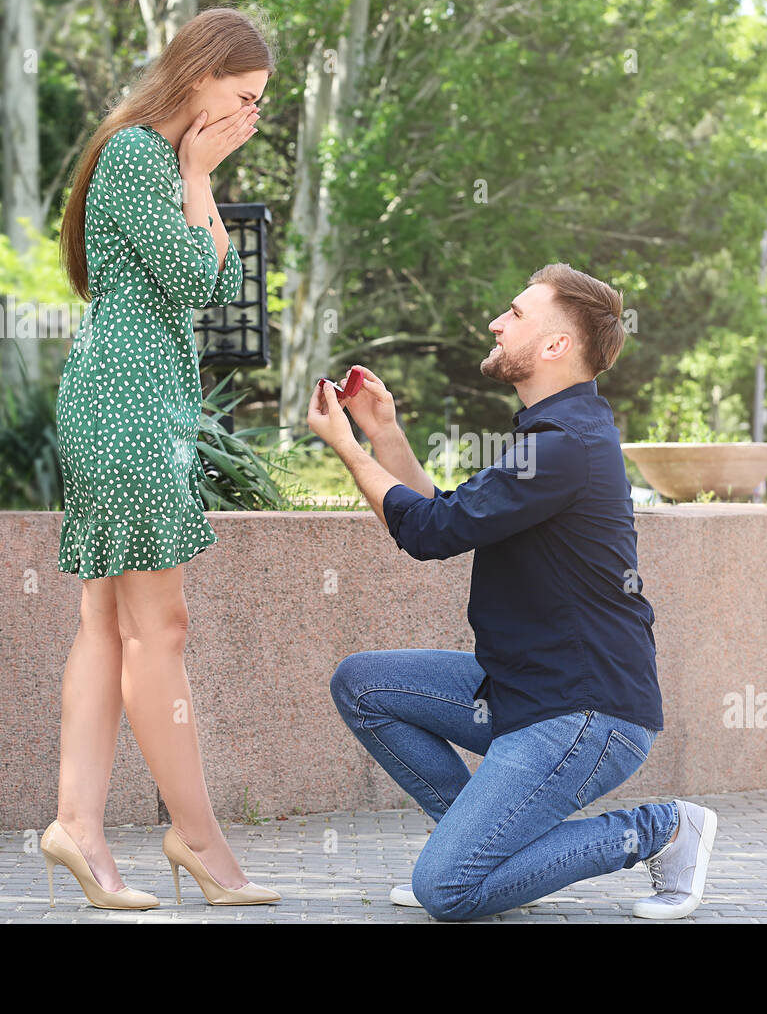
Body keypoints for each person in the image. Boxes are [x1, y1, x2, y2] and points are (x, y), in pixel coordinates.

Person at [307, 263, 718, 921]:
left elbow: (430, 531)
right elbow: (444, 516)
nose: (497, 322)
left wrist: (346, 448)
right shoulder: (551, 435)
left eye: (517, 314)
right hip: (526, 691)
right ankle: (473, 848)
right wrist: (383, 432)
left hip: (586, 713)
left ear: (557, 346)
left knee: (447, 890)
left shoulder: (563, 446)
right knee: (363, 684)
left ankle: (662, 828)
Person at [45, 8, 279, 909]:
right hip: (129, 410)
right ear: (201, 75)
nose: (251, 115)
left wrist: (200, 180)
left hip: (136, 406)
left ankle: (79, 824)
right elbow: (194, 278)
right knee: (159, 628)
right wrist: (195, 169)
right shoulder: (145, 154)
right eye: (245, 95)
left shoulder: (162, 161)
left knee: (108, 622)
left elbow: (213, 276)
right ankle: (196, 836)